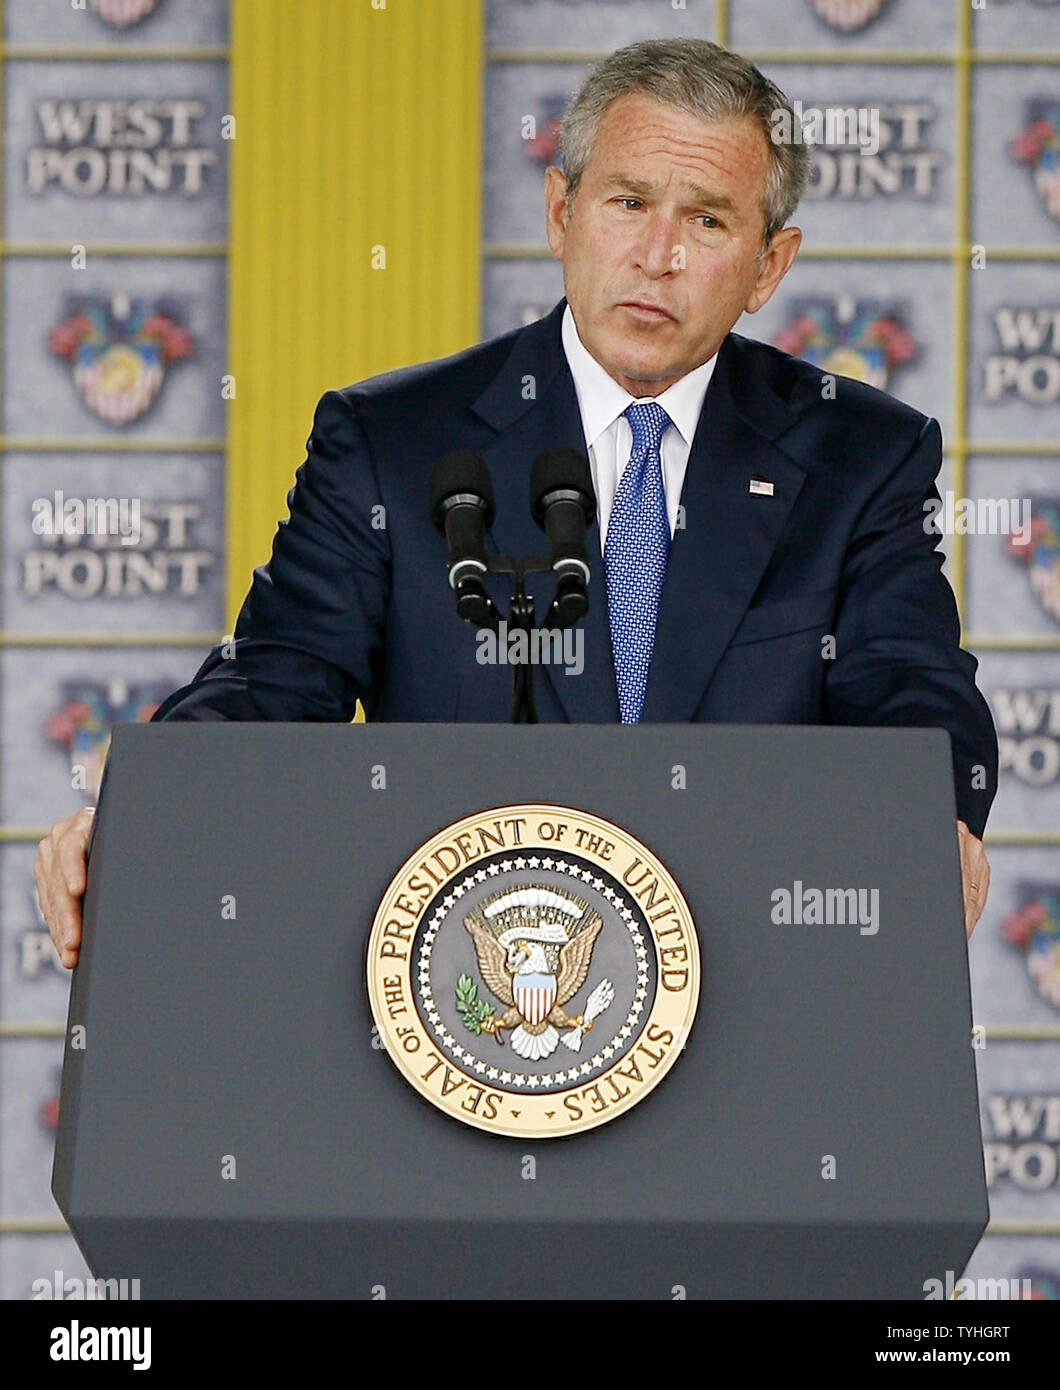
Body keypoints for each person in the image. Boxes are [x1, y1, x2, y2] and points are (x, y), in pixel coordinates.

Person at [34, 38, 995, 969]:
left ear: (767, 266)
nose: (658, 254)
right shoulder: (392, 442)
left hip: (754, 987)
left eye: (707, 221)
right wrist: (143, 810)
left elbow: (912, 691)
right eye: (627, 202)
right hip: (456, 1000)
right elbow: (276, 680)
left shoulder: (859, 456)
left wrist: (934, 817)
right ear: (560, 213)